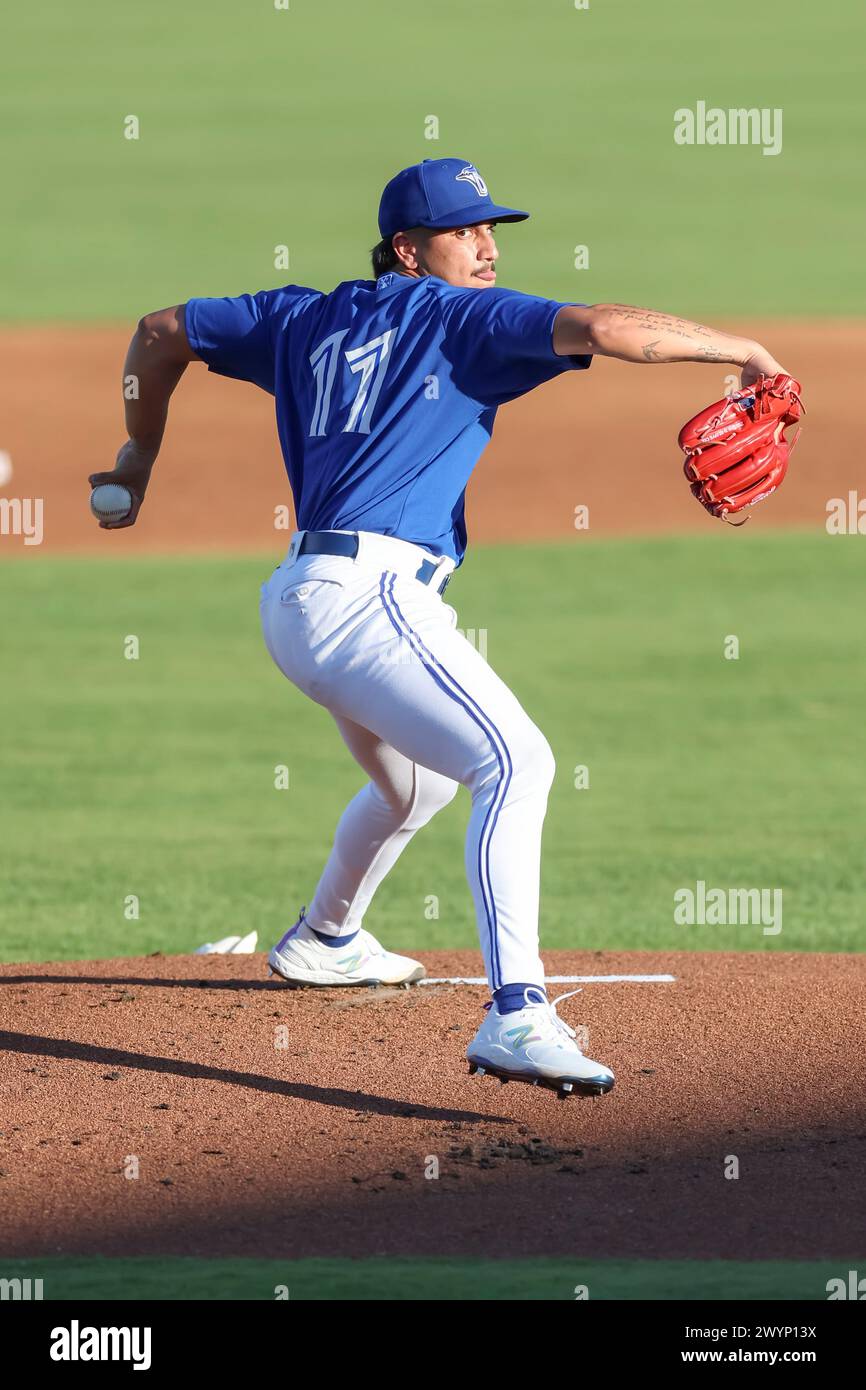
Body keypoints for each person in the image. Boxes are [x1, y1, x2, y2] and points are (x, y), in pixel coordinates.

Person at [90, 157, 789, 1098]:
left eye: (493, 228)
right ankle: (519, 1016)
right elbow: (605, 328)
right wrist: (744, 350)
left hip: (300, 600)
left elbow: (158, 330)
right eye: (466, 232)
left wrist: (136, 457)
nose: (489, 246)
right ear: (410, 251)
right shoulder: (459, 315)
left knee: (411, 785)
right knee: (517, 762)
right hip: (369, 602)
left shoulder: (301, 315)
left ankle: (325, 938)